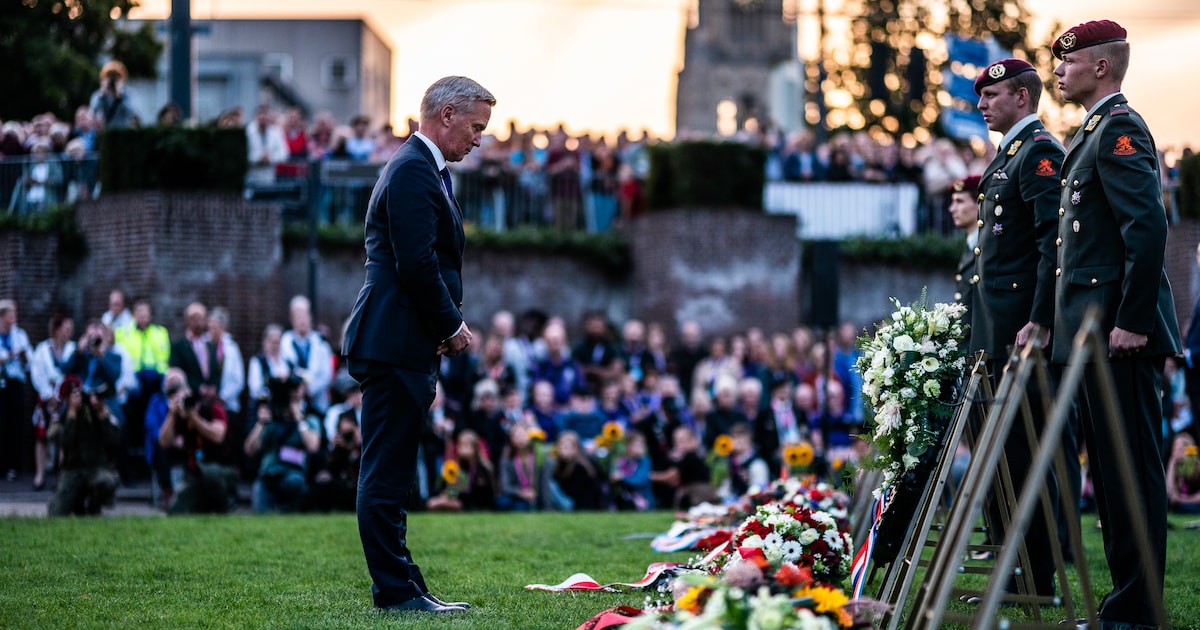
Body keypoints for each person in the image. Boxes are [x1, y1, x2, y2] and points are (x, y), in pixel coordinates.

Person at [341, 75, 494, 614]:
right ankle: (396, 591)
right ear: (446, 115)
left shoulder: (422, 168)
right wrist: (452, 327)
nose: (479, 140)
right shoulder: (411, 169)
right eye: (475, 127)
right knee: (386, 473)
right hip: (393, 341)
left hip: (401, 340)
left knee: (395, 470)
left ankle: (407, 585)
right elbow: (416, 263)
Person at [1052, 20, 1182, 628]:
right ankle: (1125, 603)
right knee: (1107, 474)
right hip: (1094, 332)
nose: (1058, 68)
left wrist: (1132, 321)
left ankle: (1138, 608)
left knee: (1130, 467)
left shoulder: (1120, 128)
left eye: (1068, 59)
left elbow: (1146, 229)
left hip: (1119, 334)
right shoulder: (1092, 132)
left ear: (1101, 65)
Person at [970, 57, 1066, 600]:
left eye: (991, 96)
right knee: (1000, 454)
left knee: (1023, 452)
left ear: (1022, 98)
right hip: (998, 326)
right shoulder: (1012, 153)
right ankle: (1012, 570)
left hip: (1021, 328)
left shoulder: (1040, 153)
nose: (982, 105)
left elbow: (1051, 245)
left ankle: (1036, 575)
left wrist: (1041, 318)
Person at [157, 376, 238, 514]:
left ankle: (224, 507)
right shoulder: (178, 418)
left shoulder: (213, 409)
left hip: (221, 470)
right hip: (195, 475)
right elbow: (164, 442)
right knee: (175, 511)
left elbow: (218, 436)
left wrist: (193, 416)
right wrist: (171, 414)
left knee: (210, 473)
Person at [244, 376, 322, 513]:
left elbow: (313, 446)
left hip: (293, 475)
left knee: (295, 483)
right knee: (260, 508)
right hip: (268, 475)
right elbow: (249, 450)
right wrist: (261, 423)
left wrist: (298, 418)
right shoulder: (271, 421)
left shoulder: (310, 420)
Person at [47, 376, 121, 516]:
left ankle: (94, 506)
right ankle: (77, 504)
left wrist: (101, 413)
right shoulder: (61, 417)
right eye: (73, 395)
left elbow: (114, 440)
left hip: (95, 468)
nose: (78, 398)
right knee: (55, 513)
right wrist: (72, 415)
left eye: (79, 393)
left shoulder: (94, 411)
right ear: (66, 399)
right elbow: (65, 443)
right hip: (72, 471)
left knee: (108, 482)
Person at [30, 315, 76, 491]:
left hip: (64, 400)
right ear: (57, 329)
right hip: (47, 401)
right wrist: (48, 394)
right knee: (42, 437)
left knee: (64, 437)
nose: (69, 331)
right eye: (66, 328)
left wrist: (62, 394)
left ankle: (61, 476)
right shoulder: (43, 349)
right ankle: (40, 475)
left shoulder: (72, 349)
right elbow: (37, 374)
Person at [0, 300, 32, 482]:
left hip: (15, 383)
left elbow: (29, 362)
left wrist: (23, 357)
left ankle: (13, 466)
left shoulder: (20, 335)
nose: (14, 318)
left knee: (15, 424)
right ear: (2, 316)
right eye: (10, 314)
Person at [947, 175, 981, 326]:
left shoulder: (985, 246)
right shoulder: (970, 244)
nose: (952, 209)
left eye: (959, 201)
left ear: (979, 204)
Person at [87, 60, 140, 130]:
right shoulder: (98, 95)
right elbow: (92, 113)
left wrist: (120, 97)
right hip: (106, 133)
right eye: (109, 76)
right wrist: (102, 94)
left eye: (116, 77)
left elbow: (132, 114)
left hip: (123, 133)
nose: (112, 81)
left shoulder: (128, 95)